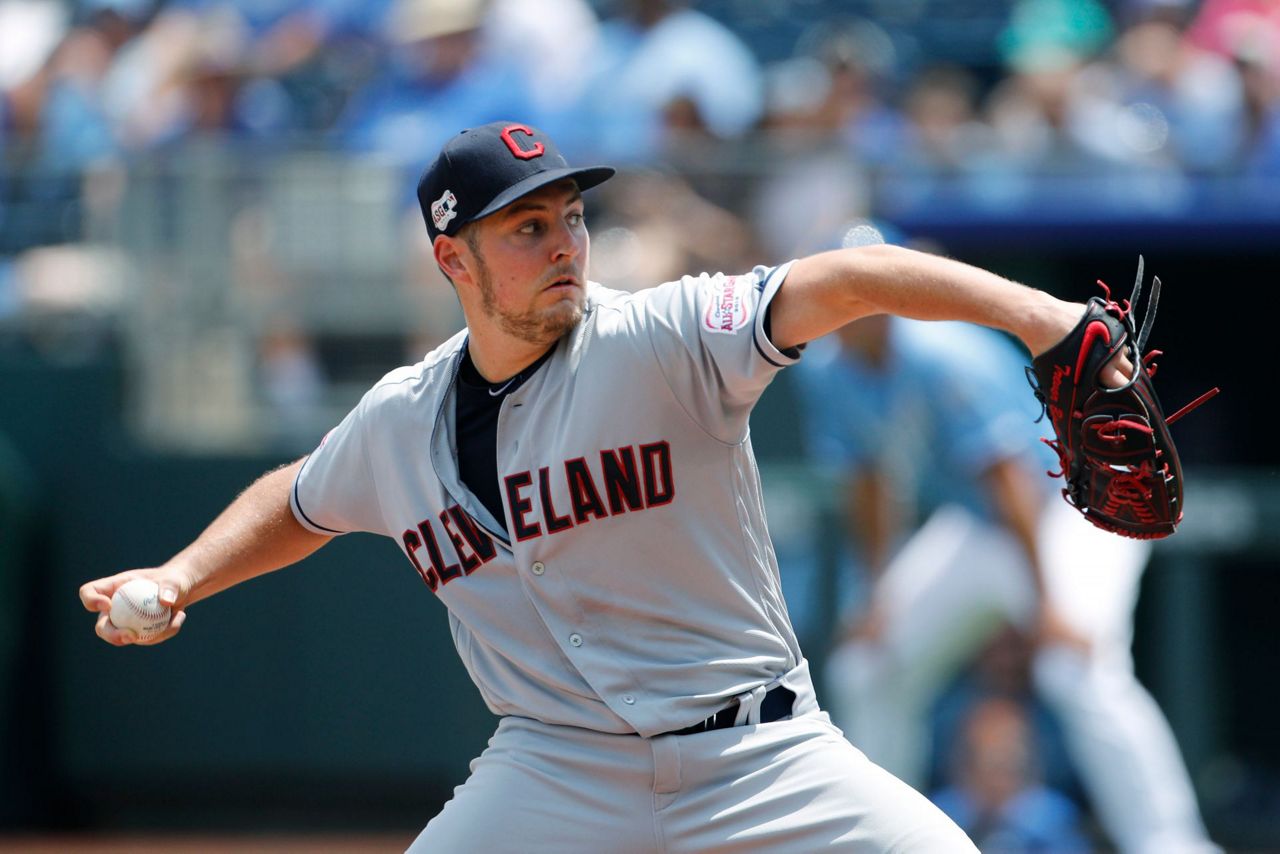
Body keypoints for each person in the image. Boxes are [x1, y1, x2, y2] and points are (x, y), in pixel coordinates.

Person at [80, 120, 1116, 851]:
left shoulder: (661, 335)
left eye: (569, 218)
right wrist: (180, 575)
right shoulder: (399, 417)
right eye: (524, 230)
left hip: (754, 749)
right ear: (454, 259)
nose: (563, 245)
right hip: (554, 768)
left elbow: (845, 280)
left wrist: (1044, 318)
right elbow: (298, 499)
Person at [796, 305, 1220, 852]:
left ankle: (1171, 844)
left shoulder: (944, 353)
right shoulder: (828, 368)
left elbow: (1009, 478)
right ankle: (881, 841)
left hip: (1070, 514)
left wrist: (1047, 605)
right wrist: (874, 597)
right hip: (977, 525)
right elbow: (867, 482)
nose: (850, 311)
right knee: (868, 665)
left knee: (1076, 669)